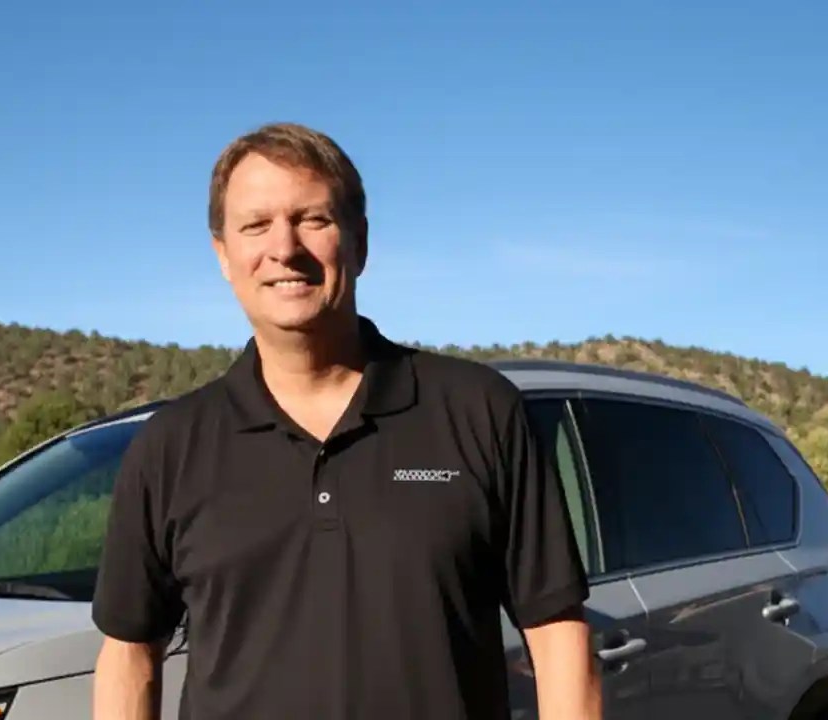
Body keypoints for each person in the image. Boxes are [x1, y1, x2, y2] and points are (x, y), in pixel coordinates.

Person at [91, 122, 602, 719]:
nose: (284, 248)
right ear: (223, 256)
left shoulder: (478, 410)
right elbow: (130, 651)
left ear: (359, 241)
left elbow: (558, 633)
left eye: (313, 219)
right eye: (256, 225)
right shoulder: (170, 446)